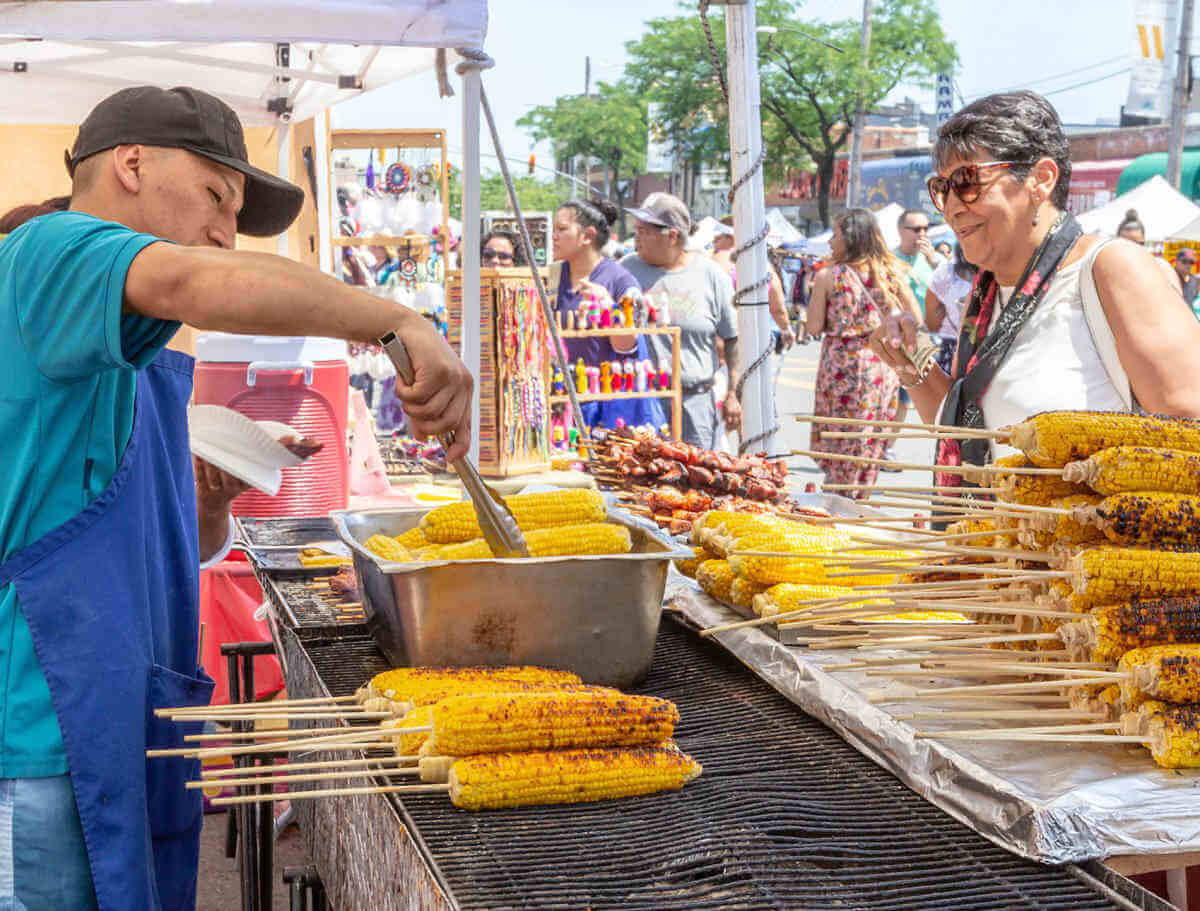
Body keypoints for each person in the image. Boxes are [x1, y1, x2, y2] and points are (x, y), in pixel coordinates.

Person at [0, 85, 473, 911]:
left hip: (125, 721)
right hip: (48, 736)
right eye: (218, 196)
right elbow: (193, 277)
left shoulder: (117, 333)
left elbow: (123, 529)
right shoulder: (53, 250)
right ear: (131, 163)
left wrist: (208, 509)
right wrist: (398, 320)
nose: (225, 231)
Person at [870, 90, 1200, 480]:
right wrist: (911, 363)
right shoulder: (984, 295)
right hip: (988, 536)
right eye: (941, 188)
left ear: (1041, 179)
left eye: (967, 180)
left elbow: (1189, 430)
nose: (952, 205)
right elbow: (965, 429)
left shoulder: (1111, 269)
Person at [805, 208, 921, 495]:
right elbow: (915, 317)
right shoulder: (890, 273)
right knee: (869, 440)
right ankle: (861, 499)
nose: (831, 242)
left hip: (841, 367)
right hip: (880, 366)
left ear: (851, 238)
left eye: (835, 235)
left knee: (841, 437)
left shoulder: (828, 277)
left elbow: (813, 326)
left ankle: (838, 502)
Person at [621, 192, 740, 448]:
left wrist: (733, 393)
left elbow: (733, 339)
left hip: (695, 405)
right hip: (641, 401)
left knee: (697, 480)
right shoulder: (625, 270)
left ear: (672, 236)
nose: (636, 237)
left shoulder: (710, 275)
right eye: (636, 229)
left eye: (644, 230)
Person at [552, 199, 665, 429]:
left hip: (608, 411)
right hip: (561, 404)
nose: (553, 236)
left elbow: (627, 346)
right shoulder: (554, 276)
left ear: (587, 235)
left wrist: (611, 309)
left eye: (562, 229)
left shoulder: (621, 282)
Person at [711, 215, 795, 349]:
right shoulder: (762, 265)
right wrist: (786, 329)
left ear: (731, 237)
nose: (714, 241)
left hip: (716, 336)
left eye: (717, 237)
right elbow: (778, 307)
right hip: (752, 338)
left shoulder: (713, 261)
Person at [925, 244, 978, 375]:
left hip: (954, 348)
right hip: (986, 346)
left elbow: (932, 323)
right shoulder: (998, 269)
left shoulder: (946, 274)